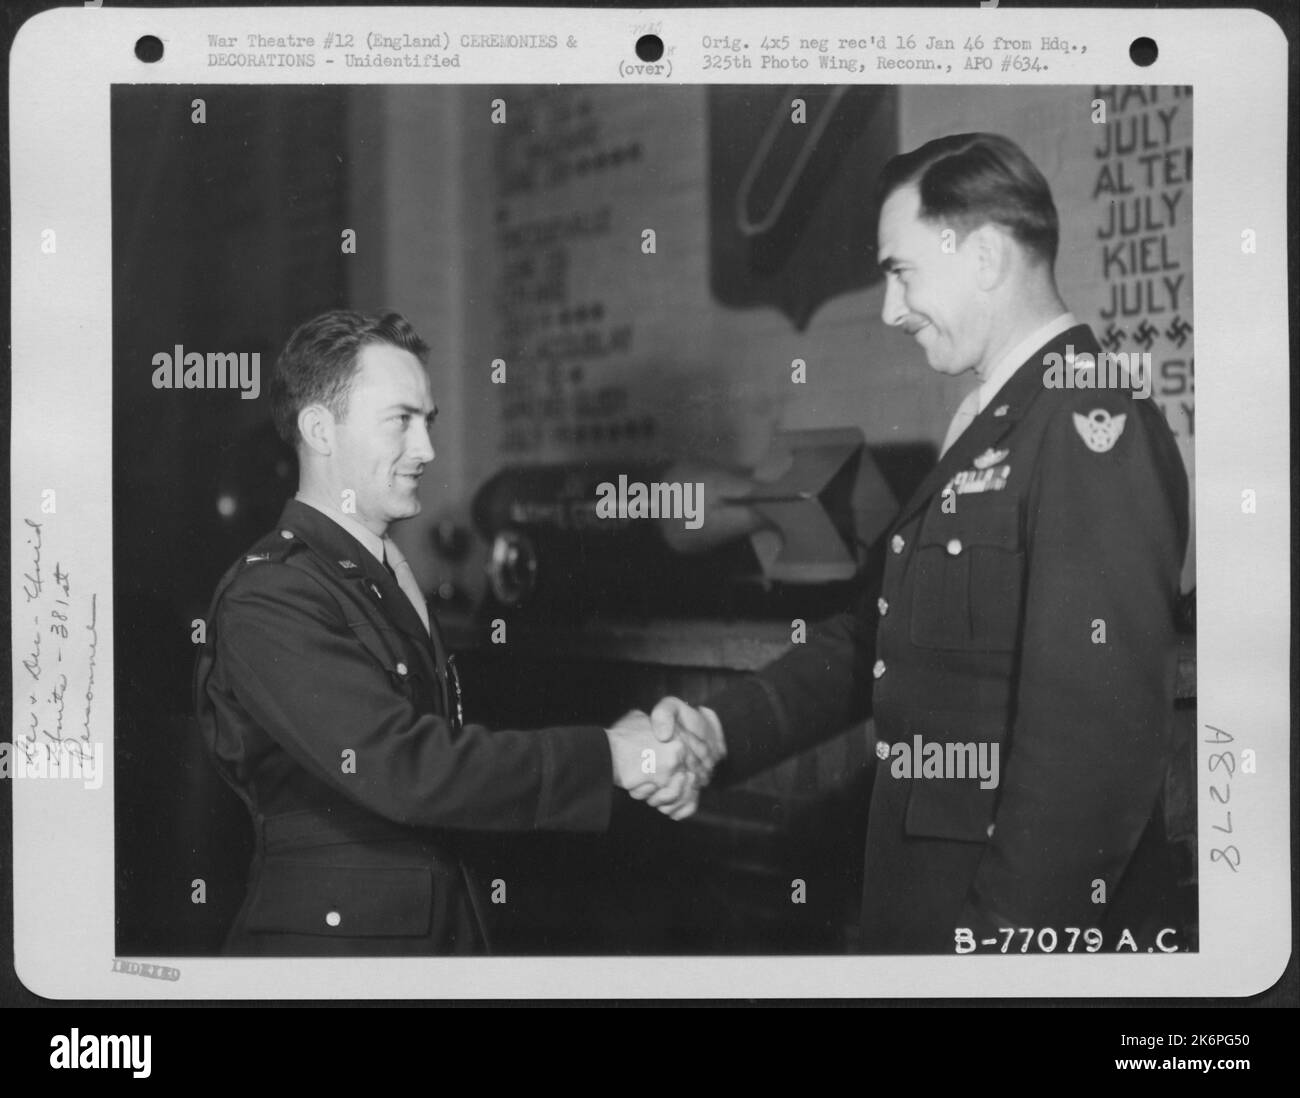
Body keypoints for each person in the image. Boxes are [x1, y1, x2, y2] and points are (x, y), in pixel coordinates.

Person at [646, 133, 1190, 954]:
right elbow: (876, 637)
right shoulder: (991, 424)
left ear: (983, 258)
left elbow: (1095, 748)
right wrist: (721, 733)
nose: (891, 310)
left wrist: (1002, 953)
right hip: (929, 912)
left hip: (1004, 937)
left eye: (900, 272)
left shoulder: (1088, 427)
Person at [193, 310, 701, 956]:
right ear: (320, 430)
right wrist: (611, 755)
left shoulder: (376, 576)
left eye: (427, 422)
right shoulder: (272, 595)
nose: (428, 450)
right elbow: (406, 768)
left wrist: (633, 746)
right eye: (400, 421)